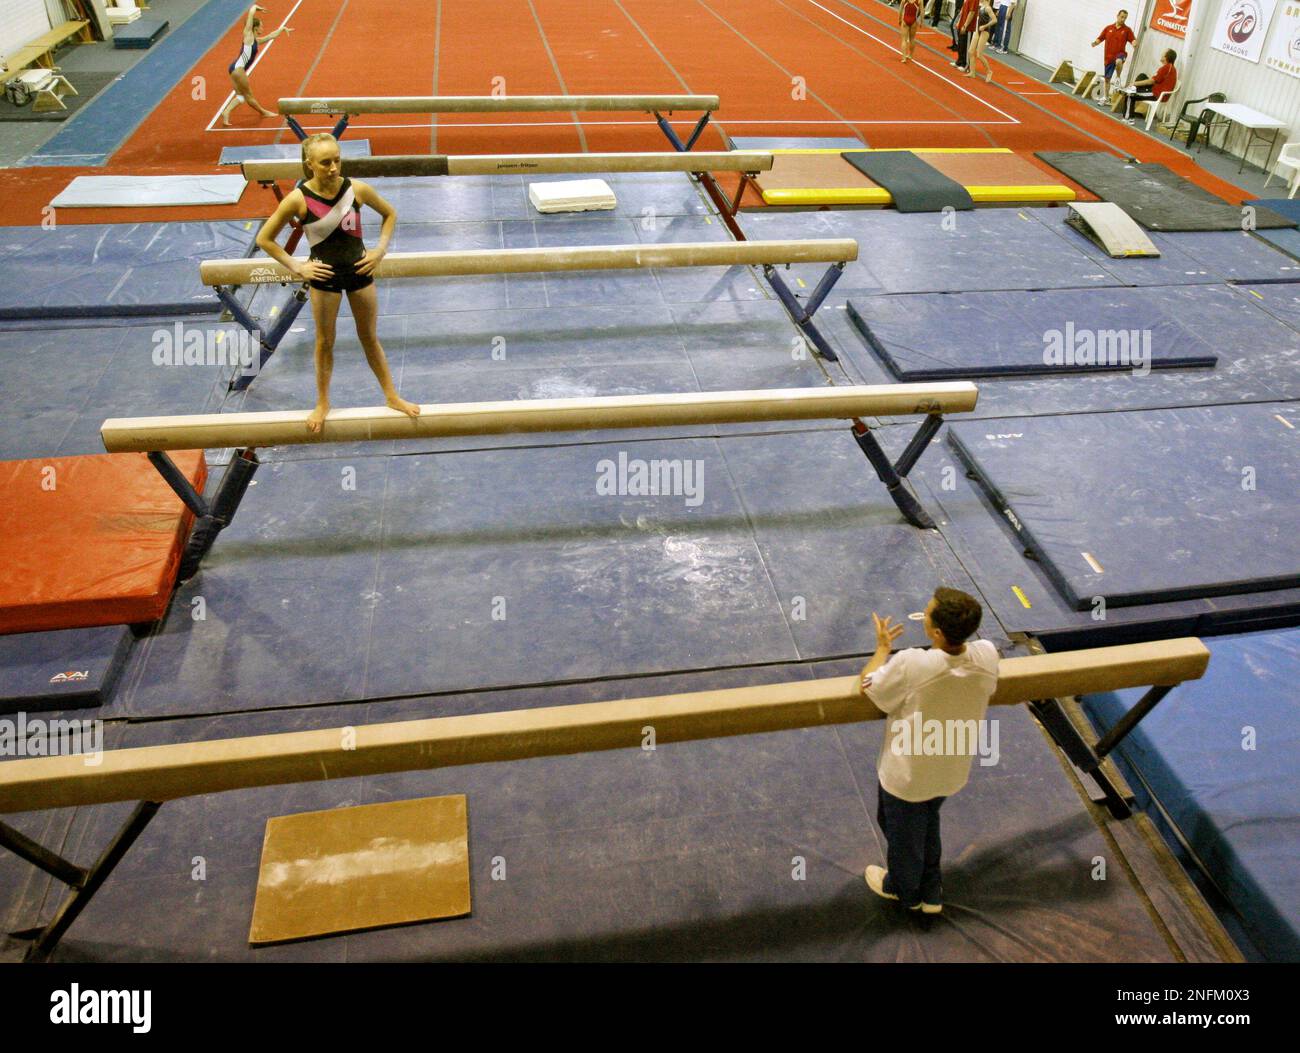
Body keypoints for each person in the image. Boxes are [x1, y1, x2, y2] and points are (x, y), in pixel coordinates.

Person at [254, 133, 419, 433]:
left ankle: (392, 396)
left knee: (369, 337)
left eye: (337, 160)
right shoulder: (299, 199)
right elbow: (264, 239)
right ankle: (322, 402)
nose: (333, 168)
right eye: (325, 162)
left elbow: (390, 213)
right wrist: (297, 267)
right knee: (324, 342)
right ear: (310, 165)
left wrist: (380, 250)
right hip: (324, 277)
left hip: (359, 270)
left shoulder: (356, 189)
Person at [860, 588, 999, 914]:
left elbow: (869, 685)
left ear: (935, 631)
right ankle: (932, 889)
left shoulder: (913, 663)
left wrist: (882, 650)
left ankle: (905, 893)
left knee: (902, 833)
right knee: (927, 820)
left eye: (926, 611)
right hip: (950, 766)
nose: (922, 612)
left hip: (909, 774)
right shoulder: (987, 655)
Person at [220, 4, 292, 126]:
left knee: (241, 97)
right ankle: (263, 112)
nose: (263, 28)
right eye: (261, 26)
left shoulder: (255, 40)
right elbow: (250, 16)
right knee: (248, 95)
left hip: (234, 68)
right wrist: (255, 8)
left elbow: (270, 36)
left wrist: (283, 28)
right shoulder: (248, 36)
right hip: (238, 69)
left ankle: (226, 113)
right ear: (255, 28)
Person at [1091, 10, 1135, 109]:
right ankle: (1105, 97)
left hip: (1120, 54)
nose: (1123, 19)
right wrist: (1095, 43)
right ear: (1117, 16)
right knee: (1107, 79)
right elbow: (1100, 38)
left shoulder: (1127, 30)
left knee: (1119, 61)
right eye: (1122, 17)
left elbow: (1133, 39)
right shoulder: (1108, 28)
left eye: (1125, 18)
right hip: (1108, 57)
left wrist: (1134, 43)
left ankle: (1118, 77)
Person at [1124, 49, 1177, 123]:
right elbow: (1156, 80)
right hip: (1157, 90)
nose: (1161, 54)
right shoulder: (1170, 67)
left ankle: (1128, 118)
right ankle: (1132, 89)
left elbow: (1152, 81)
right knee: (1142, 76)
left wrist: (1134, 83)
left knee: (1130, 95)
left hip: (1157, 94)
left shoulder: (1166, 68)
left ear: (1166, 57)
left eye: (1163, 54)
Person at [966, 0, 997, 82]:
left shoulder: (988, 8)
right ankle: (972, 72)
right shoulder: (981, 6)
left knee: (979, 54)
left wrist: (985, 26)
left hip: (984, 32)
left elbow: (994, 20)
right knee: (970, 51)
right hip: (977, 30)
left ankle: (989, 71)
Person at [953, 0, 979, 73]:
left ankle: (966, 65)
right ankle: (959, 61)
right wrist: (959, 21)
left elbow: (972, 12)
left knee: (966, 45)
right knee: (961, 44)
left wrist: (965, 25)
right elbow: (963, 9)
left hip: (968, 27)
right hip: (962, 22)